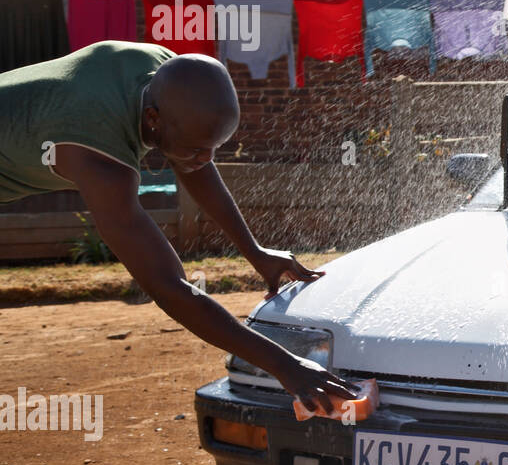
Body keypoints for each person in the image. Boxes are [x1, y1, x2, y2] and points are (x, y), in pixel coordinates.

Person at [0, 40, 357, 415]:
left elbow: (193, 162)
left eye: (214, 147)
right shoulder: (100, 161)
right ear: (153, 119)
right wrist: (285, 365)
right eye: (196, 147)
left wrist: (255, 252)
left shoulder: (165, 71)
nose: (207, 159)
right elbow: (167, 286)